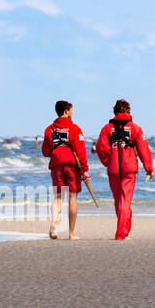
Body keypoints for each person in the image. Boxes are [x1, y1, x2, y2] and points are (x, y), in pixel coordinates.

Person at [95, 99, 154, 240]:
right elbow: (143, 150)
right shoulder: (135, 128)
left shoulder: (106, 128)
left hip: (114, 168)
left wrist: (107, 162)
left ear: (115, 111)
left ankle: (124, 230)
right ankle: (121, 233)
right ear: (128, 111)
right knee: (125, 201)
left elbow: (100, 148)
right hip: (129, 168)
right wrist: (149, 168)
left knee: (118, 200)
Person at [41, 100, 91, 240]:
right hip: (70, 166)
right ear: (65, 111)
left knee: (58, 198)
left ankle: (53, 224)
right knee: (72, 197)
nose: (72, 112)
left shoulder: (49, 129)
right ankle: (71, 233)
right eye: (71, 110)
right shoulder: (74, 128)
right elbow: (80, 150)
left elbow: (45, 151)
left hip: (56, 165)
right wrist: (84, 170)